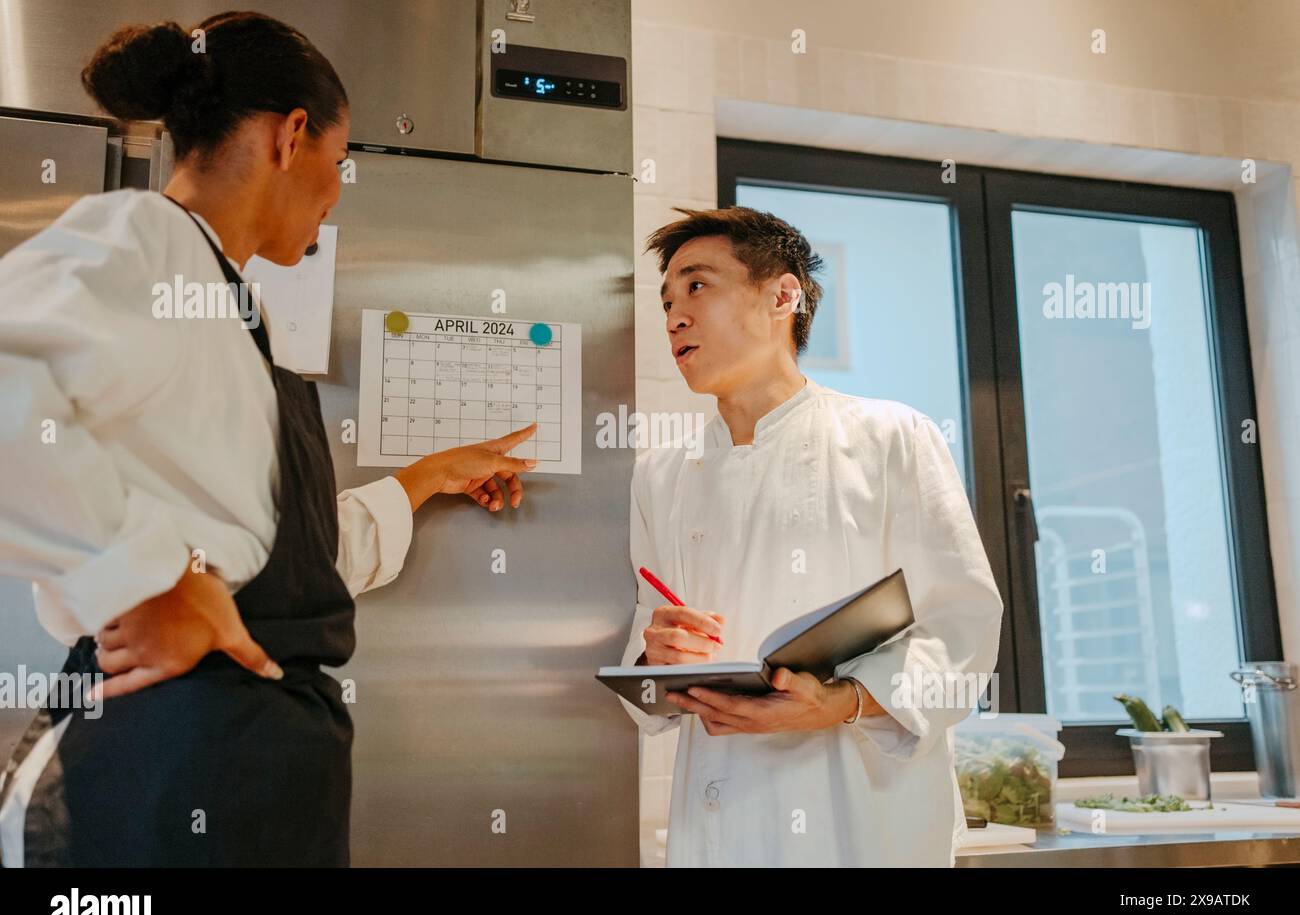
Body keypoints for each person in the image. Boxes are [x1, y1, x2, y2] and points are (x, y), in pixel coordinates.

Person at [0, 12, 536, 866]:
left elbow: (264, 571)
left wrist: (424, 479)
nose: (336, 188)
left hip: (235, 770)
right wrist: (147, 582)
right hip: (162, 771)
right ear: (292, 136)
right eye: (341, 160)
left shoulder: (224, 302)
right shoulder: (149, 241)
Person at [619, 206, 1004, 866]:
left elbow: (962, 629)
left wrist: (841, 702)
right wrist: (657, 658)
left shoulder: (890, 439)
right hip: (718, 824)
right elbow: (644, 649)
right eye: (667, 301)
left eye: (697, 286)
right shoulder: (660, 475)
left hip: (862, 823)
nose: (674, 317)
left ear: (782, 295)